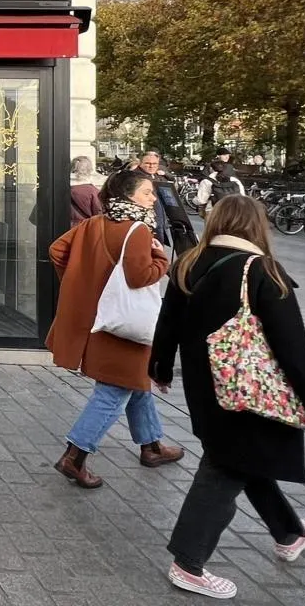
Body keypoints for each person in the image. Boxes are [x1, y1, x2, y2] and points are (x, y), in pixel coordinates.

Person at [149, 196, 305, 599]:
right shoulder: (262, 270)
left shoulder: (188, 262)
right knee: (224, 466)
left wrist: (161, 367)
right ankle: (188, 562)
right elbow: (294, 349)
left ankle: (290, 533)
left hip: (205, 388)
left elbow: (169, 322)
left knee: (242, 456)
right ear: (257, 226)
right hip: (250, 389)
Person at [46, 169, 183, 488]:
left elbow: (56, 251)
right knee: (114, 391)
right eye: (147, 192)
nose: (153, 198)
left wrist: (82, 283)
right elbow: (139, 276)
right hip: (125, 326)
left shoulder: (95, 222)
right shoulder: (136, 229)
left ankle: (151, 445)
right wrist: (161, 260)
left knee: (135, 381)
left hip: (102, 320)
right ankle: (75, 456)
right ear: (129, 195)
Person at [69, 155, 102, 228]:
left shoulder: (61, 187)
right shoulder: (92, 191)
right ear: (89, 170)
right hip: (85, 228)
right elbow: (99, 213)